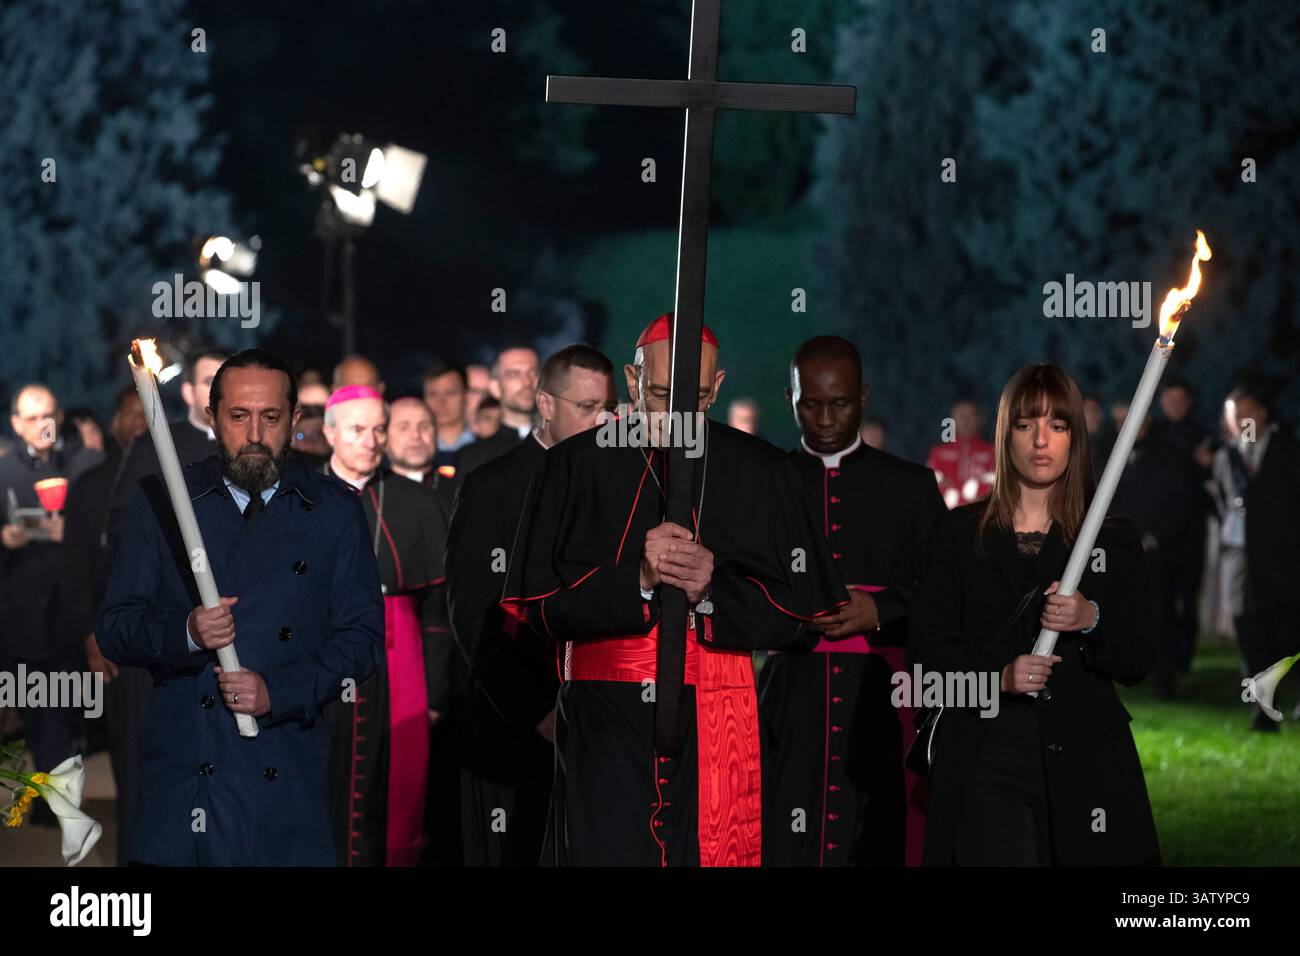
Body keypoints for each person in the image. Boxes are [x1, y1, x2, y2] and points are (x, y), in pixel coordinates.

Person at [503, 314, 846, 866]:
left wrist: (709, 592)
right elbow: (539, 607)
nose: (681, 415)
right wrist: (637, 580)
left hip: (719, 720)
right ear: (634, 381)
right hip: (605, 724)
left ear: (719, 386)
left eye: (698, 396)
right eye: (662, 394)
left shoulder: (762, 470)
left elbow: (802, 618)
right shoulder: (573, 466)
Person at [97, 349, 384, 865]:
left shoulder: (335, 511)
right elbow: (116, 628)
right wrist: (185, 632)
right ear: (212, 417)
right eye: (238, 416)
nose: (255, 434)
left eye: (270, 417)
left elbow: (361, 643)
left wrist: (278, 690)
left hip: (287, 770)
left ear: (294, 420)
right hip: (188, 779)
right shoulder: (165, 500)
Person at [908, 364, 1158, 866]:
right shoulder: (959, 534)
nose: (1040, 441)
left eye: (1057, 426)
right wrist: (997, 678)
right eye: (1025, 425)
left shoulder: (1111, 537)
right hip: (985, 757)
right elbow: (924, 669)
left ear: (1075, 437)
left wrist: (1092, 619)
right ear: (1005, 435)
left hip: (1087, 763)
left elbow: (1136, 661)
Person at [759, 337, 945, 867]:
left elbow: (946, 591)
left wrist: (882, 611)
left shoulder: (910, 485)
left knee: (877, 829)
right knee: (786, 831)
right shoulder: (766, 483)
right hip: (790, 694)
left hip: (884, 694)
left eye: (838, 403)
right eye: (809, 403)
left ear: (863, 396)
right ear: (791, 396)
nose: (823, 418)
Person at [447, 344, 617, 866]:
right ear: (546, 404)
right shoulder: (490, 487)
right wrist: (534, 710)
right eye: (584, 408)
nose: (600, 421)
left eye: (606, 408)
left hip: (599, 720)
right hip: (513, 725)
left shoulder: (621, 482)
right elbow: (473, 612)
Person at [320, 385, 453, 864]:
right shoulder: (301, 497)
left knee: (398, 785)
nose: (371, 441)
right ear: (330, 432)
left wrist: (436, 692)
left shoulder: (415, 501)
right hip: (324, 658)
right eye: (358, 429)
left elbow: (440, 611)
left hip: (401, 657)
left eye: (379, 429)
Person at [58, 386, 148, 863]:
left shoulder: (170, 479)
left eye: (145, 412)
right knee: (128, 757)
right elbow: (75, 569)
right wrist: (90, 635)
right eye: (128, 413)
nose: (137, 421)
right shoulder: (91, 485)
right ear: (114, 421)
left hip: (166, 641)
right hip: (114, 646)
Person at [1, 384, 102, 787]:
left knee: (64, 701)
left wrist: (74, 531)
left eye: (49, 415)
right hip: (22, 608)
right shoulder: (5, 472)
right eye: (31, 418)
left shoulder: (87, 464)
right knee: (35, 703)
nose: (42, 425)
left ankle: (57, 791)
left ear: (59, 418)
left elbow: (109, 530)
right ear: (15, 425)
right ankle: (49, 785)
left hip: (73, 607)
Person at [1220, 385, 1300, 730]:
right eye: (1236, 415)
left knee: (1284, 632)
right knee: (1249, 631)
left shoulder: (1287, 451)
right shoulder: (1228, 456)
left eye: (1247, 412)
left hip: (1279, 559)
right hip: (1239, 556)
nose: (1242, 421)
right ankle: (1263, 709)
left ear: (1264, 413)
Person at [458, 347, 540, 476]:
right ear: (496, 388)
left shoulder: (562, 447)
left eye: (533, 372)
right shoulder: (475, 458)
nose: (527, 382)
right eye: (514, 374)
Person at [926, 398, 995, 509]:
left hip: (981, 516)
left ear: (979, 419)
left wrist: (957, 488)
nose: (965, 420)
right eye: (961, 415)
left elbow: (995, 488)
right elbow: (932, 488)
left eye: (970, 415)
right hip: (947, 517)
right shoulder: (939, 452)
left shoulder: (993, 453)